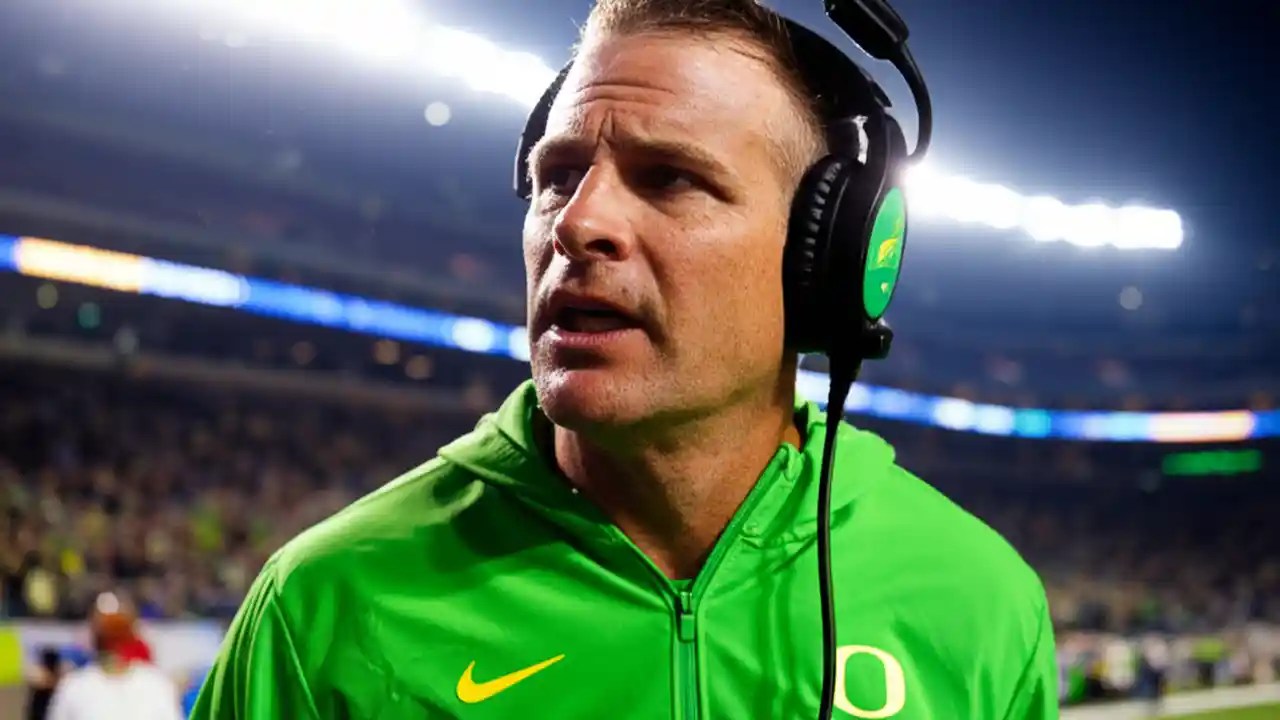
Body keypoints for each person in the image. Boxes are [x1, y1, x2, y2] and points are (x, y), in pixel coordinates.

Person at [192, 1, 1057, 718]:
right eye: (559, 175)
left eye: (669, 178)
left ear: (825, 255)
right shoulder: (323, 610)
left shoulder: (978, 599)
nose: (576, 222)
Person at [45, 593, 184, 720]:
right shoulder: (75, 687)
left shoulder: (155, 685)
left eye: (118, 629)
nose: (112, 642)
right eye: (107, 631)